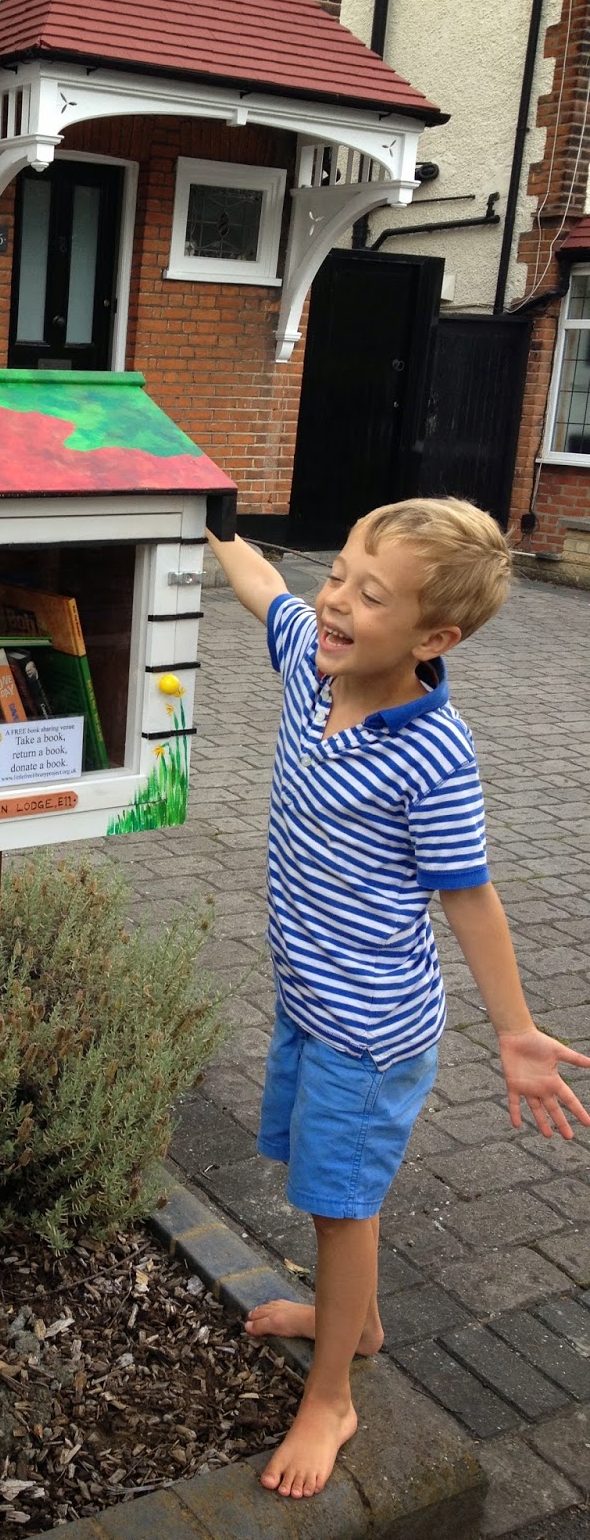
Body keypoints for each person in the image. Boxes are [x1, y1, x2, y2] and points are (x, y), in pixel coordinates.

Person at [206, 499, 590, 1501]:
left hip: (370, 1032)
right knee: (324, 1190)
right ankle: (360, 1324)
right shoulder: (312, 660)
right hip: (309, 999)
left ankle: (333, 1395)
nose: (334, 598)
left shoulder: (434, 751)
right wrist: (209, 522)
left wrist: (516, 1031)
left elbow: (470, 894)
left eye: (368, 594)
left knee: (341, 1210)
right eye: (340, 573)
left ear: (433, 637)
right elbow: (265, 590)